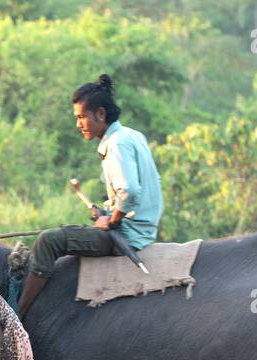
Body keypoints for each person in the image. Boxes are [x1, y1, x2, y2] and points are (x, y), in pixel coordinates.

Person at [14, 74, 164, 320]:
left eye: (81, 117)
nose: (78, 124)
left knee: (47, 241)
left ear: (100, 114)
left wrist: (113, 221)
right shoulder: (132, 135)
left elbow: (130, 191)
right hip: (143, 228)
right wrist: (107, 212)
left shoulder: (116, 144)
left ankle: (17, 315)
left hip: (128, 235)